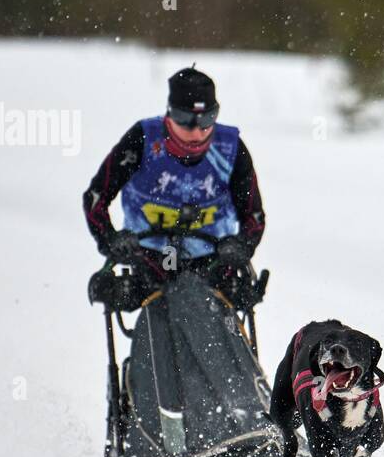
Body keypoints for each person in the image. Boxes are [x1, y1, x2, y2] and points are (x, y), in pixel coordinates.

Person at [83, 67, 265, 302]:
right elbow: (96, 197)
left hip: (213, 260)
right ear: (169, 115)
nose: (197, 132)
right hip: (154, 257)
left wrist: (242, 245)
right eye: (186, 120)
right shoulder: (143, 140)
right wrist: (110, 240)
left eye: (207, 119)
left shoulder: (231, 148)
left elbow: (255, 215)